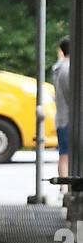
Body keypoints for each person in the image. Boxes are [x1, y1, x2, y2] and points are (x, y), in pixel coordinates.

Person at [53, 36, 70, 179]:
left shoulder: (58, 68)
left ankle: (64, 187)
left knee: (64, 154)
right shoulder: (69, 69)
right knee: (66, 155)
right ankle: (66, 187)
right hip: (70, 119)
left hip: (61, 117)